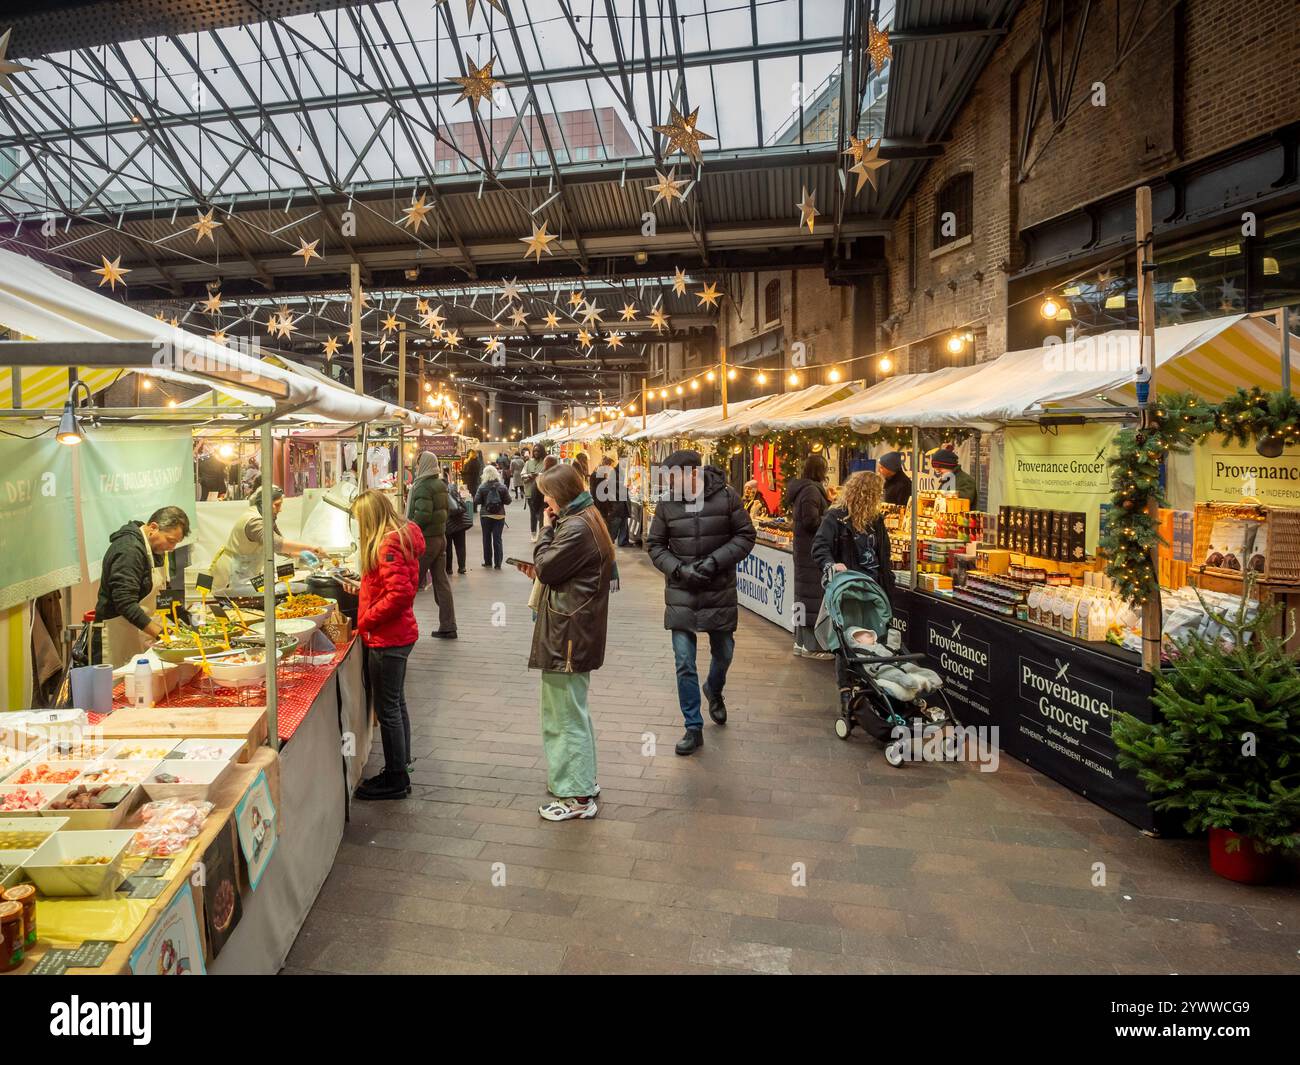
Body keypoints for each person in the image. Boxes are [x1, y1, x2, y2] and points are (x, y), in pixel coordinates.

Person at [516, 462, 615, 821]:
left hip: (568, 634)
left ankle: (577, 795)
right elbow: (559, 569)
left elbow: (547, 568)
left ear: (560, 494)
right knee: (572, 710)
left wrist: (544, 531)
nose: (546, 502)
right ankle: (581, 780)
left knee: (564, 715)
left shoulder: (575, 526)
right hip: (575, 628)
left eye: (548, 496)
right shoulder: (586, 517)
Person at [647, 450, 756, 756]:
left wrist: (714, 562)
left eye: (672, 476)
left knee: (724, 651)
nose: (668, 482)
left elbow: (746, 535)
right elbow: (655, 545)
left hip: (718, 590)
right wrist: (678, 569)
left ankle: (714, 689)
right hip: (681, 593)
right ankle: (692, 727)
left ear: (692, 473)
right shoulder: (667, 503)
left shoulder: (727, 497)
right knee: (684, 662)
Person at [344, 490, 424, 801]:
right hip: (398, 634)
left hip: (388, 637)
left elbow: (400, 594)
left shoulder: (387, 543)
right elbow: (391, 587)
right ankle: (399, 767)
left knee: (388, 707)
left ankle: (396, 778)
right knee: (396, 703)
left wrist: (366, 619)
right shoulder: (399, 536)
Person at [812, 471, 895, 726]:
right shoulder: (836, 517)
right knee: (846, 640)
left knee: (873, 639)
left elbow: (884, 552)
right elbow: (820, 547)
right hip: (848, 589)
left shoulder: (876, 520)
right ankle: (846, 690)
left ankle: (871, 689)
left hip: (873, 588)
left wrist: (886, 579)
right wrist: (832, 564)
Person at [93, 506, 191, 667]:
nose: (172, 548)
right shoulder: (129, 550)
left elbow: (163, 596)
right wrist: (162, 634)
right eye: (170, 540)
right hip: (117, 636)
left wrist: (189, 622)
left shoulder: (155, 550)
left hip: (138, 634)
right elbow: (125, 603)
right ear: (153, 527)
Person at [210, 484, 322, 594]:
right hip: (231, 574)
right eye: (277, 505)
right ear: (265, 504)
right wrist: (311, 548)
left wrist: (302, 554)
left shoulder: (266, 517)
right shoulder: (254, 521)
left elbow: (279, 545)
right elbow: (275, 543)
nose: (280, 509)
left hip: (245, 571)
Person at [783, 454, 833, 660]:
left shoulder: (804, 489)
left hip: (803, 550)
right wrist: (831, 515)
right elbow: (811, 521)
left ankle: (800, 641)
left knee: (802, 596)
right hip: (811, 552)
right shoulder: (811, 490)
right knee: (812, 598)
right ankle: (811, 645)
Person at [406, 452, 456, 638]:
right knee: (441, 582)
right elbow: (445, 510)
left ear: (424, 464)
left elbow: (422, 515)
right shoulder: (440, 484)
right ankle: (449, 625)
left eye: (418, 463)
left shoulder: (423, 486)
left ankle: (403, 626)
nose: (417, 466)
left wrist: (408, 529)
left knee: (409, 583)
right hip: (440, 538)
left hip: (425, 541)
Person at [475, 465, 511, 568]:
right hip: (499, 516)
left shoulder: (482, 487)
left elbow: (476, 501)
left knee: (486, 538)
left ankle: (488, 562)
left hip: (485, 516)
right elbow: (508, 501)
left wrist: (485, 501)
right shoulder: (502, 487)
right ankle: (498, 563)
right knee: (497, 539)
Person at [591, 455, 629, 547]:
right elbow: (601, 492)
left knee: (614, 523)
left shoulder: (598, 474)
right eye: (610, 465)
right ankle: (607, 543)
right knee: (612, 524)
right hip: (603, 505)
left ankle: (609, 542)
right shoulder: (599, 476)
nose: (611, 468)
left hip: (604, 504)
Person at [444, 476, 471, 576]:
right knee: (460, 546)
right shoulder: (453, 490)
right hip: (460, 522)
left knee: (448, 547)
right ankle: (462, 567)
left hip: (448, 523)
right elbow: (462, 504)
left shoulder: (440, 493)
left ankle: (449, 569)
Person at [529, 454, 557, 544]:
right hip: (558, 509)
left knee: (545, 533)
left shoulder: (540, 478)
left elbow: (534, 496)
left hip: (543, 509)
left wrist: (537, 511)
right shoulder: (559, 477)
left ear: (545, 464)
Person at [523, 445, 548, 539]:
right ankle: (533, 533)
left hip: (543, 493)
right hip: (530, 493)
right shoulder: (528, 462)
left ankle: (542, 534)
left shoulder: (546, 462)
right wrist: (529, 476)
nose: (536, 453)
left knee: (542, 514)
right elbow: (523, 475)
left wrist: (539, 475)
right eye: (534, 451)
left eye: (538, 451)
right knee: (533, 514)